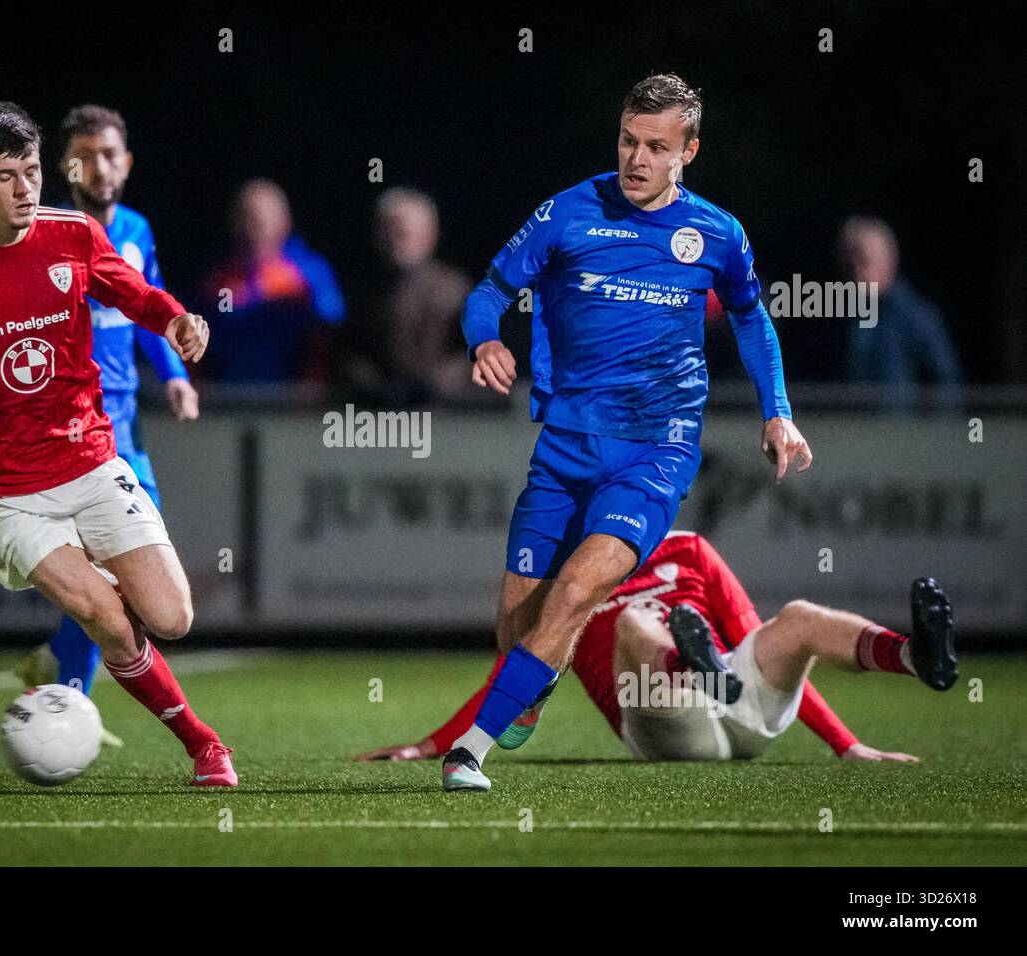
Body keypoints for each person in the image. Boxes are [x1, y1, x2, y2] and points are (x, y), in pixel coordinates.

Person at [443, 73, 812, 792]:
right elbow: (489, 290)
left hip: (656, 448)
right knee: (518, 622)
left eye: (655, 147)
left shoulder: (716, 234)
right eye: (626, 140)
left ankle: (469, 751)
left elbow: (749, 316)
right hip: (565, 445)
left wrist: (778, 409)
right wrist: (484, 341)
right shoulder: (566, 213)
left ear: (689, 152)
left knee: (578, 588)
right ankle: (533, 682)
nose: (635, 159)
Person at [0, 102, 236, 787]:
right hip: (1, 491)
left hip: (90, 460)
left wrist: (178, 322)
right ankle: (204, 745)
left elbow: (138, 296)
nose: (24, 188)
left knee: (173, 616)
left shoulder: (73, 235)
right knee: (105, 614)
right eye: (6, 175)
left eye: (32, 171)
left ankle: (65, 669)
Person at [357, 531, 957, 769]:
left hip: (744, 707)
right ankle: (688, 663)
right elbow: (510, 680)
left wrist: (848, 747)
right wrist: (430, 745)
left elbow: (756, 639)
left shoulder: (689, 549)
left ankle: (912, 655)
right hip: (668, 724)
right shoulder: (568, 584)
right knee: (637, 625)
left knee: (797, 619)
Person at [13, 104, 202, 737]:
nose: (101, 166)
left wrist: (174, 376)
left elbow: (148, 309)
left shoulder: (137, 230)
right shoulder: (37, 234)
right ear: (65, 165)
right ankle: (71, 699)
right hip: (65, 421)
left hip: (124, 422)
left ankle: (60, 667)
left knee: (132, 567)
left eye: (111, 153)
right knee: (105, 572)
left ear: (127, 161)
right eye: (86, 154)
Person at [197, 178, 345, 384]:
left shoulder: (310, 274)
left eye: (265, 218)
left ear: (285, 220)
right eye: (248, 217)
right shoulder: (217, 279)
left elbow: (329, 335)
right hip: (227, 401)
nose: (256, 226)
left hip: (294, 401)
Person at [341, 187, 472, 404]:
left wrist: (434, 385)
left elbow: (475, 353)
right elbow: (349, 353)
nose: (397, 240)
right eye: (390, 231)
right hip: (378, 416)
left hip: (443, 416)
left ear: (430, 234)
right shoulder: (362, 292)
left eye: (405, 233)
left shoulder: (454, 289)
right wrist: (374, 387)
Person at [840, 216, 963, 410]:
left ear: (888, 261)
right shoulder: (856, 318)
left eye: (864, 262)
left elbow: (947, 384)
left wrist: (932, 435)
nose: (857, 272)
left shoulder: (918, 317)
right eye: (850, 263)